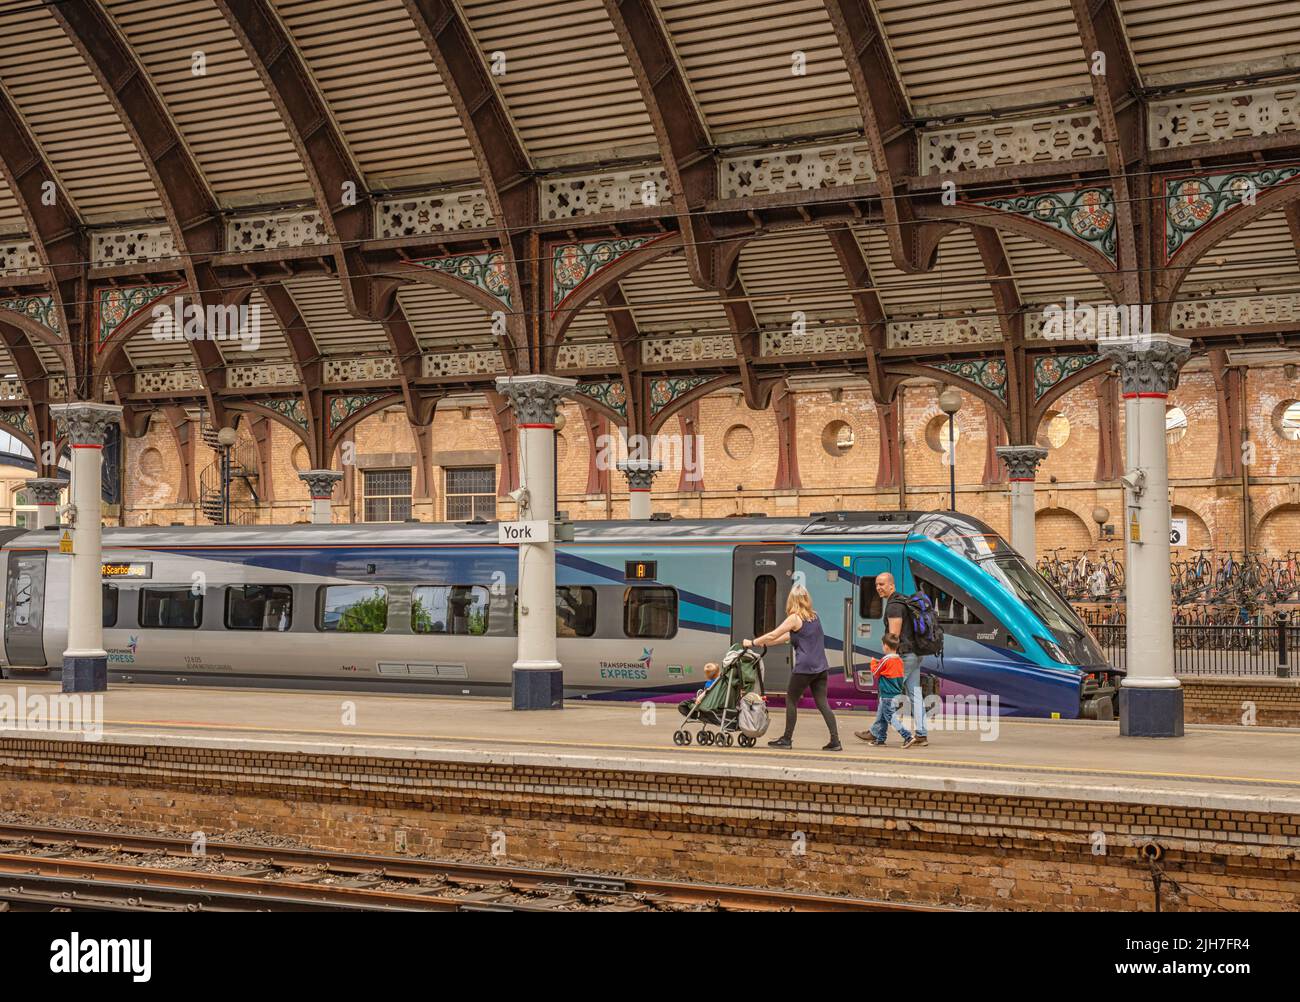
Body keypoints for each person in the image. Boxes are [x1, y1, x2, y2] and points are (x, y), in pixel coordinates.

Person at [744, 584, 841, 751]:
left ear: (792, 600)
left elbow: (774, 633)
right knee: (822, 703)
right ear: (806, 599)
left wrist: (752, 642)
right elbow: (785, 637)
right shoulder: (814, 617)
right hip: (821, 667)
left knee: (791, 700)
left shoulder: (794, 618)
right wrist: (764, 644)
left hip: (805, 667)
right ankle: (835, 741)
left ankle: (786, 739)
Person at [873, 572, 929, 746]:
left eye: (882, 584)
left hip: (904, 656)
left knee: (886, 693)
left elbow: (893, 637)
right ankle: (921, 733)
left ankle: (876, 731)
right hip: (915, 654)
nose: (878, 588)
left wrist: (889, 659)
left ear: (892, 585)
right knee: (915, 694)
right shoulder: (902, 600)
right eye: (876, 584)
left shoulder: (894, 606)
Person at [854, 632, 914, 747]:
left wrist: (873, 663)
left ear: (886, 646)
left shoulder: (886, 660)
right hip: (895, 693)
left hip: (887, 695)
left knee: (890, 718)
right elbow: (889, 672)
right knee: (882, 717)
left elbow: (876, 673)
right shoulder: (899, 660)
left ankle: (907, 736)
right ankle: (880, 739)